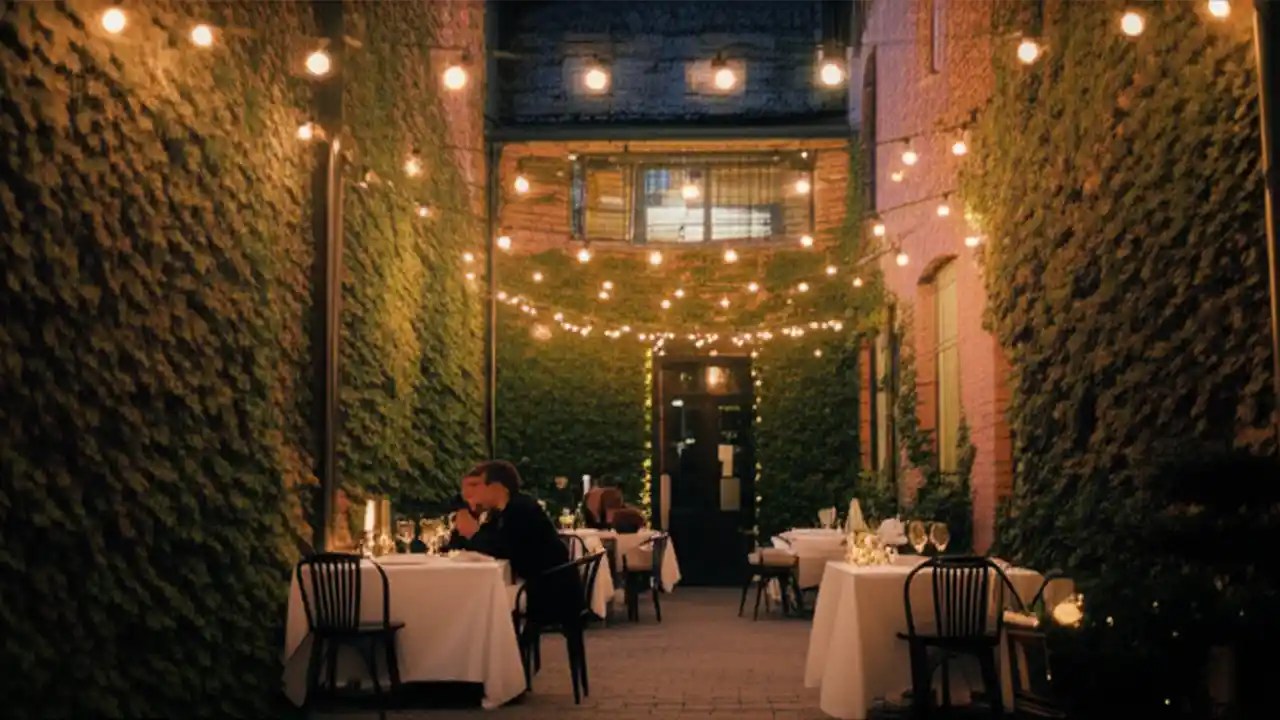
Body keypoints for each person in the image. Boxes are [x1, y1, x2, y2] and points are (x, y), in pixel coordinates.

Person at [450, 460, 582, 623]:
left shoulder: (521, 509)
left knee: (479, 600)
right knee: (479, 598)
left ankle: (491, 644)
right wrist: (469, 520)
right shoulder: (500, 512)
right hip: (539, 583)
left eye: (478, 486)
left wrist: (473, 533)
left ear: (497, 487)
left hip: (550, 590)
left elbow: (499, 549)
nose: (470, 493)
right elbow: (462, 547)